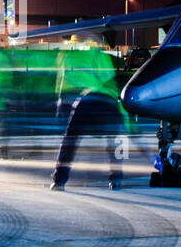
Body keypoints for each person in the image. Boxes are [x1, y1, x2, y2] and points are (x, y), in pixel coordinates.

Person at [49, 50, 131, 190]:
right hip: (105, 103)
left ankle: (59, 181)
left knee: (69, 141)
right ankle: (116, 179)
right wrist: (125, 120)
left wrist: (60, 106)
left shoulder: (65, 56)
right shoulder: (100, 57)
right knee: (116, 139)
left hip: (83, 103)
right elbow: (110, 83)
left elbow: (61, 82)